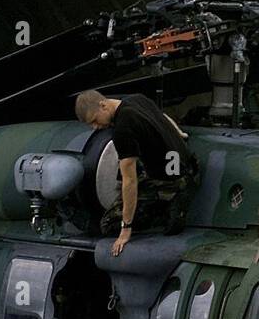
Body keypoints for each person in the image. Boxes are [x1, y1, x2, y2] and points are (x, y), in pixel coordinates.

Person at [74, 89, 198, 257]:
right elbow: (163, 117)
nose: (95, 127)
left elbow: (129, 181)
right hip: (186, 165)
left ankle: (167, 204)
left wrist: (126, 228)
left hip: (171, 180)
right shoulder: (138, 99)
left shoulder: (123, 129)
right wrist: (178, 133)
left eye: (95, 121)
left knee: (108, 224)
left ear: (103, 105)